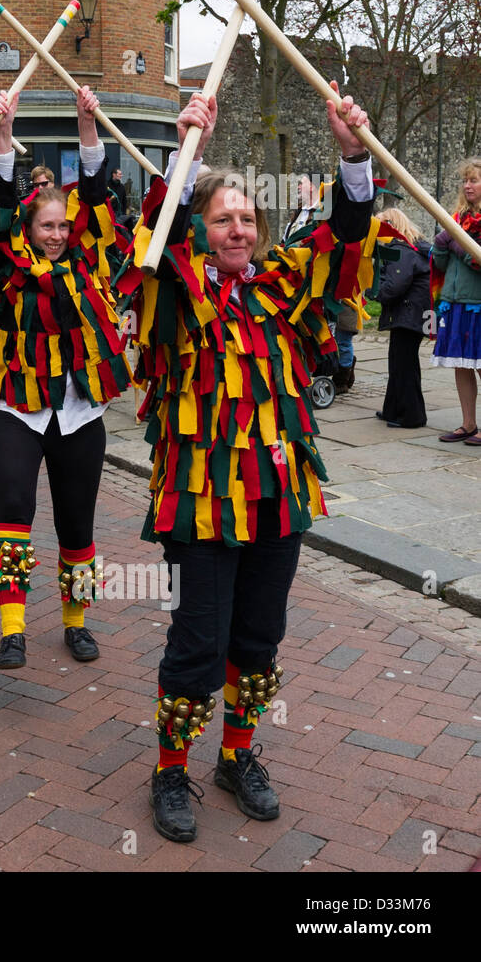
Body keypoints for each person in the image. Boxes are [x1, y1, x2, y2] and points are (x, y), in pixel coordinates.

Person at [116, 83, 380, 843]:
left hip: (278, 495)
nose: (237, 228)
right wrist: (186, 150)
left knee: (260, 634)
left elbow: (346, 238)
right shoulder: (179, 292)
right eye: (222, 218)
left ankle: (237, 755)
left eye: (247, 218)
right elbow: (150, 247)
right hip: (200, 497)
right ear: (199, 229)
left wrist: (353, 154)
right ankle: (171, 768)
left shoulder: (284, 284)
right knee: (199, 638)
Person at [0, 87, 134, 669]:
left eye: (64, 226)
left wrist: (88, 126)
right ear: (29, 228)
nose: (58, 233)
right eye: (46, 226)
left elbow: (95, 197)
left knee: (76, 522)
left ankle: (75, 622)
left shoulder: (88, 259)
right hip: (17, 406)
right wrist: (4, 135)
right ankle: (12, 629)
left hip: (79, 412)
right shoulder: (8, 259)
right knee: (13, 515)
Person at [431, 157, 481, 444]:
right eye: (466, 180)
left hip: (478, 303)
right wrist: (441, 244)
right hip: (454, 302)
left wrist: (459, 246)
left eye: (473, 180)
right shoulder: (457, 220)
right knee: (461, 365)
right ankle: (468, 423)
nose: (467, 185)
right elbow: (439, 263)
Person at [371, 208, 429, 429]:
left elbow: (396, 284)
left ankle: (412, 416)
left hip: (409, 313)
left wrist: (375, 293)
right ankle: (393, 410)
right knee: (399, 361)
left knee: (404, 365)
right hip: (412, 313)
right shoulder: (409, 247)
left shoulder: (401, 249)